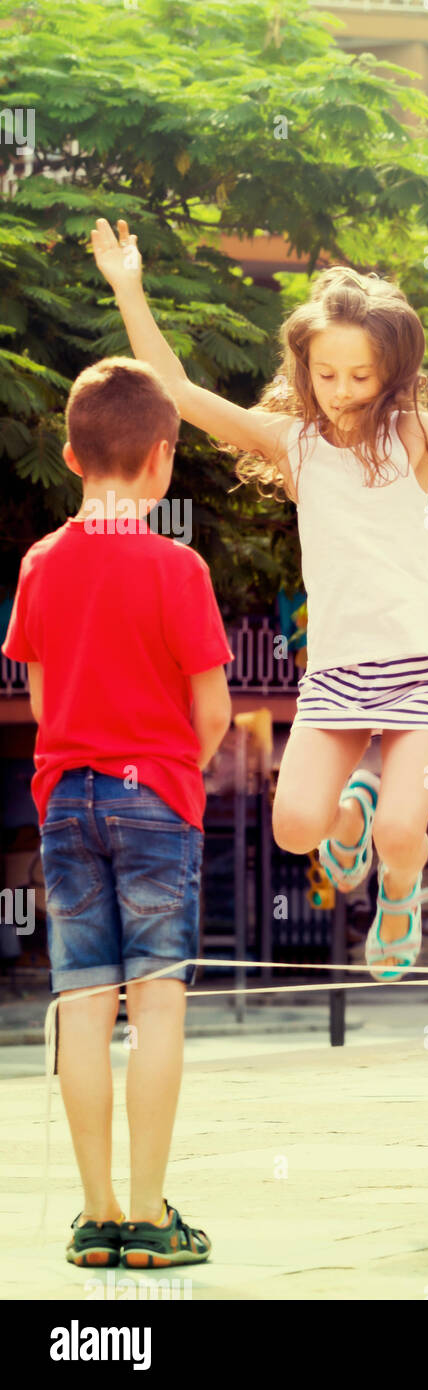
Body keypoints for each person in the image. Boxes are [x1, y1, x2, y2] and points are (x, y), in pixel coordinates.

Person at [90, 216, 428, 980]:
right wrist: (129, 287)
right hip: (338, 675)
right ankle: (348, 809)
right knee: (294, 828)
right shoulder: (293, 445)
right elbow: (177, 392)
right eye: (326, 374)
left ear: (390, 370)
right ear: (304, 366)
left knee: (400, 830)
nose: (344, 391)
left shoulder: (413, 433)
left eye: (360, 376)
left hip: (421, 669)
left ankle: (398, 892)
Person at [2, 357, 234, 1266]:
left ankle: (94, 1214)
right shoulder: (178, 568)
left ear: (69, 456)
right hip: (154, 800)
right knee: (160, 1011)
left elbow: (40, 699)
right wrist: (171, 777)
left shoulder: (40, 563)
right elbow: (210, 713)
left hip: (65, 801)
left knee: (84, 1007)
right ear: (164, 459)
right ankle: (149, 1216)